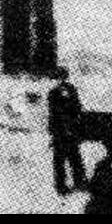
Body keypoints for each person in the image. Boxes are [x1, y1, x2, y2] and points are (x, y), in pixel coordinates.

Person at [46, 66, 86, 195]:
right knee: (60, 161)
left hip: (70, 130)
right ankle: (61, 186)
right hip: (60, 132)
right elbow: (54, 112)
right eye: (58, 78)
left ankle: (79, 182)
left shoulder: (71, 90)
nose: (60, 80)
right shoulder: (53, 92)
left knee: (74, 158)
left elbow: (77, 108)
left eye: (61, 77)